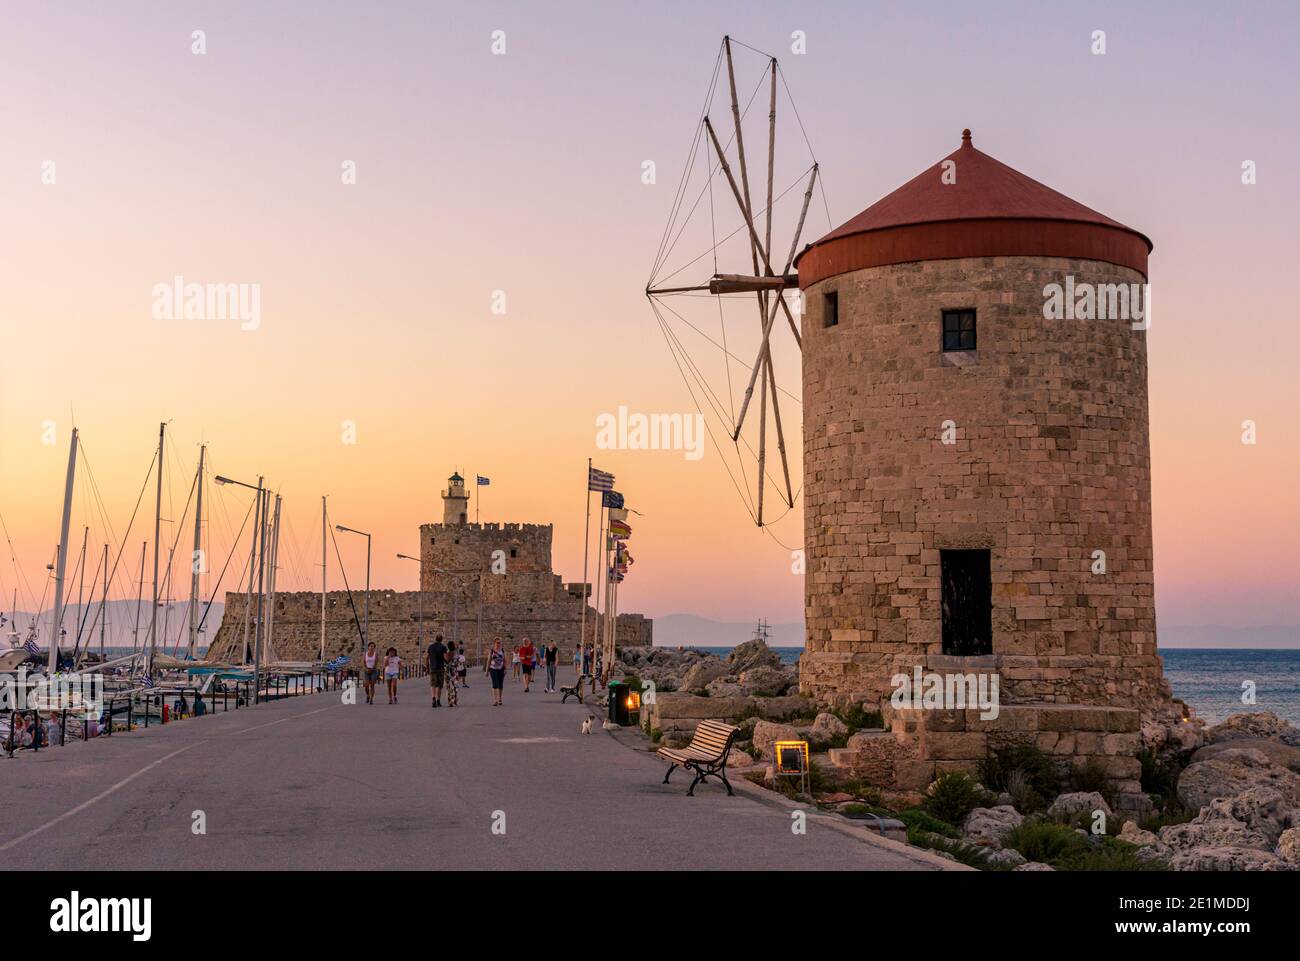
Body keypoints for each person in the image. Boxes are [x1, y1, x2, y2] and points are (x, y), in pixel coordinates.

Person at [427, 634, 448, 708]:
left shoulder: (430, 647)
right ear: (441, 640)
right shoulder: (443, 647)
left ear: (435, 639)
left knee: (433, 684)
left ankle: (433, 699)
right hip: (440, 668)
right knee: (439, 685)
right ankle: (438, 700)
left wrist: (427, 667)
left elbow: (427, 658)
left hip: (432, 668)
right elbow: (445, 658)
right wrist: (447, 661)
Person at [485, 637, 506, 707]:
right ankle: (495, 700)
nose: (498, 644)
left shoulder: (502, 650)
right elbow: (488, 661)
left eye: (499, 642)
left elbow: (505, 660)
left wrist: (505, 669)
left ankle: (500, 698)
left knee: (500, 684)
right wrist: (487, 671)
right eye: (497, 642)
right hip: (493, 669)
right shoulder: (492, 651)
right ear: (494, 643)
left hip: (501, 669)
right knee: (495, 684)